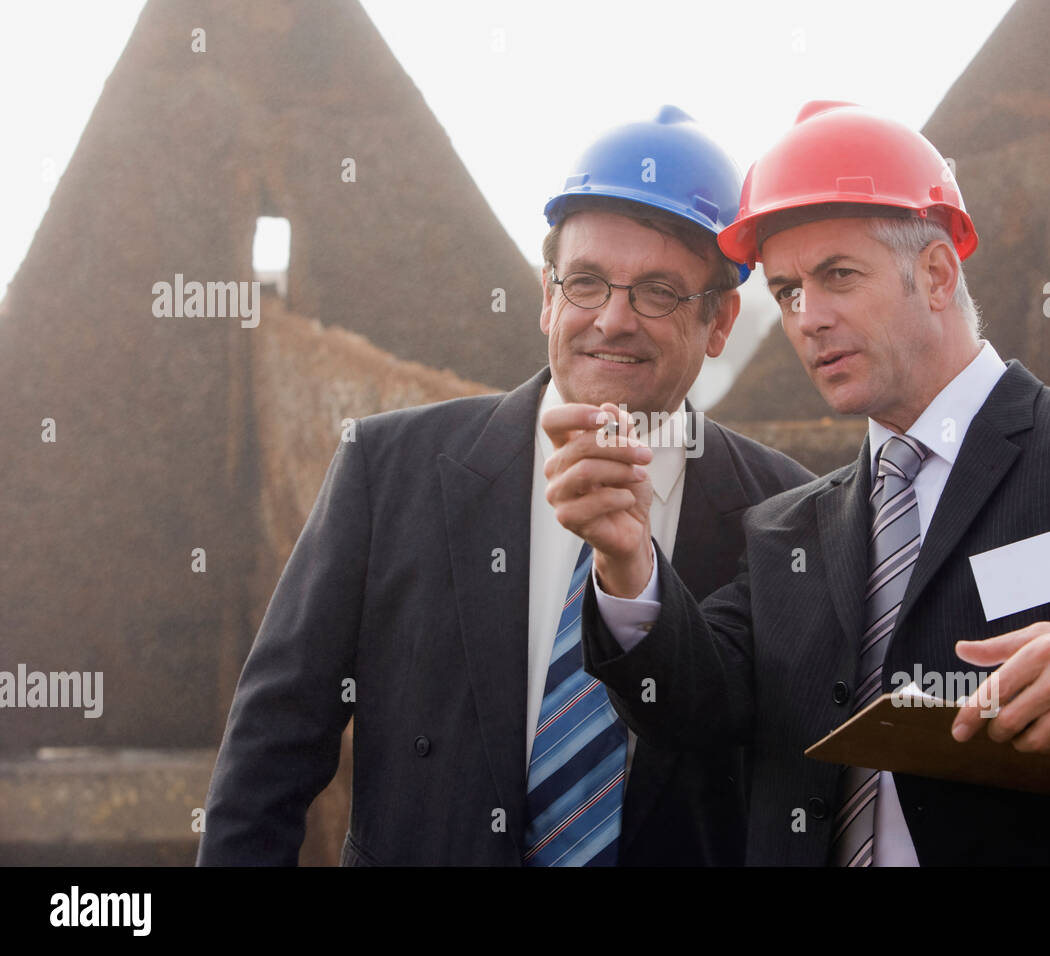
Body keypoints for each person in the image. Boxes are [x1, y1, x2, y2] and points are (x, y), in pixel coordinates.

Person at [546, 101, 1050, 865]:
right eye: (787, 291)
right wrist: (628, 561)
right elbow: (693, 708)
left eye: (837, 275)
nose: (808, 318)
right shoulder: (786, 527)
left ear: (937, 272)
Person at [197, 106, 813, 866]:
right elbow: (272, 748)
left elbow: (799, 785)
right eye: (586, 282)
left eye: (658, 292)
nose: (612, 320)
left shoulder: (785, 515)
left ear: (719, 322)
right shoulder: (388, 470)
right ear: (547, 297)